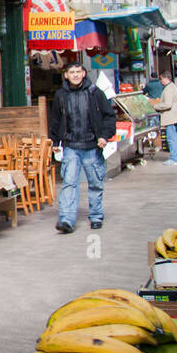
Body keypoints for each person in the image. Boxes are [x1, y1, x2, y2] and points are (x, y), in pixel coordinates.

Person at [49, 61, 117, 234]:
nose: (76, 75)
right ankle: (66, 219)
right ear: (66, 75)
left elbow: (109, 116)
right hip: (71, 146)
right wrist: (55, 142)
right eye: (72, 72)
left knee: (95, 183)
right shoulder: (60, 95)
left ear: (84, 73)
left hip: (92, 146)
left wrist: (104, 135)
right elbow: (55, 120)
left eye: (79, 71)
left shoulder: (95, 93)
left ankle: (96, 216)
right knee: (69, 183)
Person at [153, 71, 177, 165]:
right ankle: (175, 157)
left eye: (161, 79)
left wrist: (155, 107)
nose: (160, 81)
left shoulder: (169, 89)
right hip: (172, 116)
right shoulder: (172, 87)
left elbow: (167, 104)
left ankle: (174, 159)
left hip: (170, 117)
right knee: (173, 137)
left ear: (166, 78)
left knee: (171, 138)